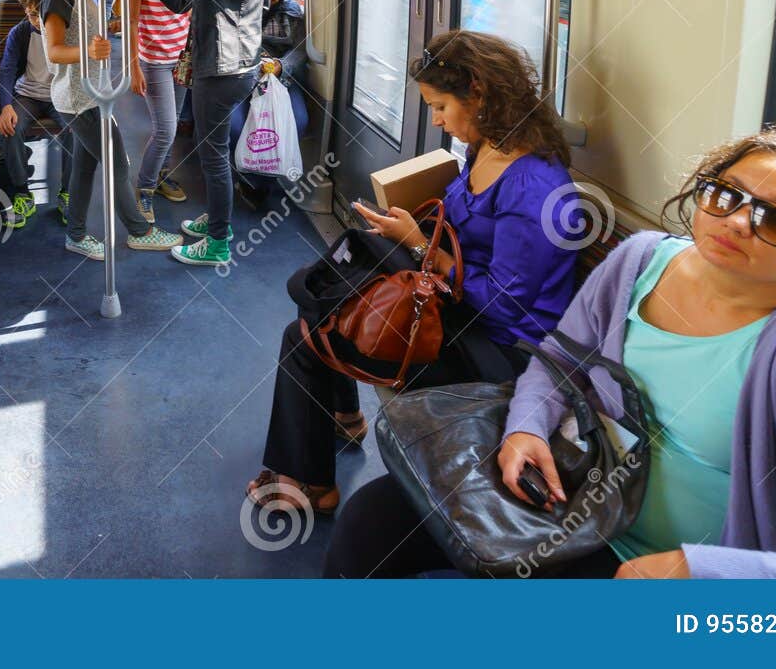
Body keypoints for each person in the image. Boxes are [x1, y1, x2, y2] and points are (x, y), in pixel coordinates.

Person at [326, 127, 776, 579]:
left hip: (662, 577)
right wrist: (525, 429)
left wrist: (699, 571)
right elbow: (558, 362)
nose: (739, 221)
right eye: (726, 193)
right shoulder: (641, 261)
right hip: (571, 499)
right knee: (371, 520)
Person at [248, 30, 581, 516]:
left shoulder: (534, 188)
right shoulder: (486, 148)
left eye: (441, 106)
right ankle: (342, 417)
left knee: (305, 337)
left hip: (499, 348)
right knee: (325, 292)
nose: (437, 119)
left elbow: (503, 304)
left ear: (481, 93)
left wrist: (420, 245)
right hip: (456, 307)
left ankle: (311, 481)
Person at [115, 0, 268, 268]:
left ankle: (218, 241)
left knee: (213, 157)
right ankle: (218, 220)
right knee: (213, 151)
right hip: (242, 62)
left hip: (222, 68)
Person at [41, 0, 183, 260]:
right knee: (118, 163)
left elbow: (84, 30)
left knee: (87, 167)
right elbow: (53, 52)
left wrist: (118, 25)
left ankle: (75, 234)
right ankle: (139, 231)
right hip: (78, 97)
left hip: (89, 92)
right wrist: (89, 51)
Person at [126, 0, 204, 222]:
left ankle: (160, 175)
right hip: (154, 59)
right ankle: (143, 189)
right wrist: (132, 65)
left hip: (181, 57)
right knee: (165, 130)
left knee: (169, 128)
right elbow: (131, 20)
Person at [230, 0, 311, 211]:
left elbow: (299, 49)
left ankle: (267, 176)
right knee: (235, 125)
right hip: (245, 76)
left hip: (279, 78)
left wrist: (280, 66)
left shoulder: (291, 10)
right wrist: (260, 9)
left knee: (298, 120)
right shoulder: (239, 9)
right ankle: (246, 178)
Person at [0, 0, 71, 229]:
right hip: (28, 94)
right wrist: (6, 105)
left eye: (42, 14)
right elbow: (7, 70)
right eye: (31, 15)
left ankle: (68, 193)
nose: (38, 21)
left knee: (75, 130)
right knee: (11, 127)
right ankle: (21, 191)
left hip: (59, 93)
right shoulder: (20, 33)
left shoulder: (67, 31)